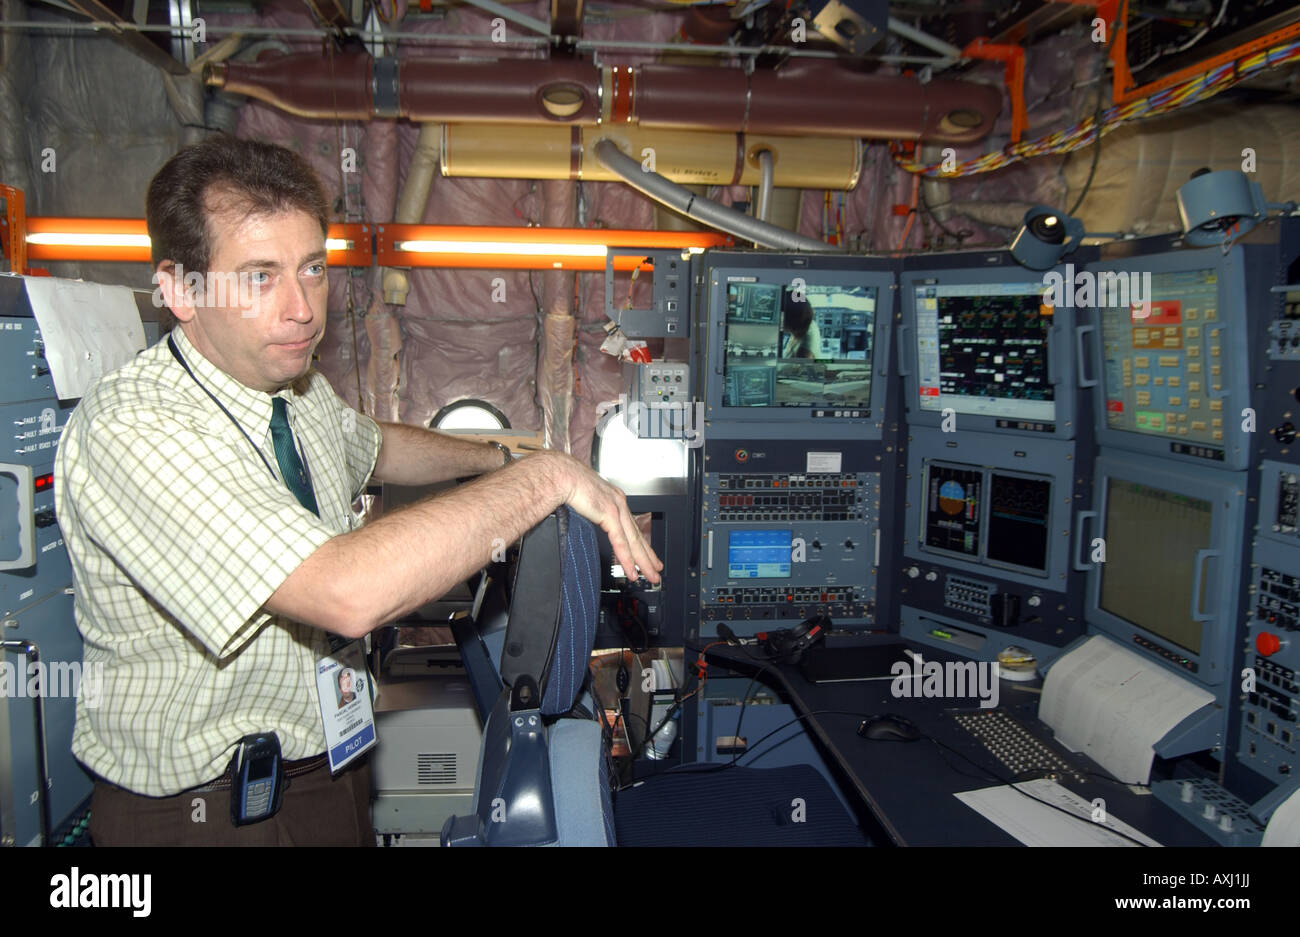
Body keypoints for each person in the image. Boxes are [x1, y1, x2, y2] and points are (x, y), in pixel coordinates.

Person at [54, 135, 662, 846]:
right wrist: (544, 477)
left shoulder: (292, 386)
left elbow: (374, 444)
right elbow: (346, 593)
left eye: (312, 268)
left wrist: (498, 454)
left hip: (328, 773)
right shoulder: (135, 429)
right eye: (259, 276)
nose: (302, 309)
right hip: (206, 811)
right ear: (181, 291)